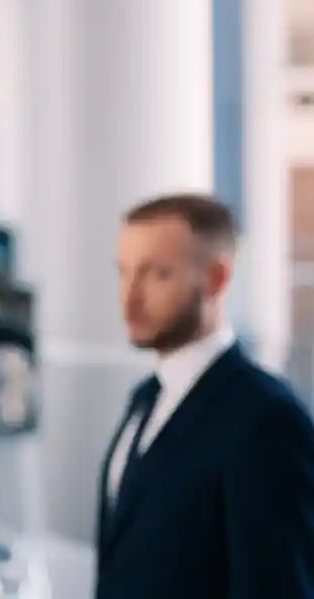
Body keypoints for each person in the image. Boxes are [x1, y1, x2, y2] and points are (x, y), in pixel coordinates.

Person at [96, 193, 314, 599]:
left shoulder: (268, 421)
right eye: (124, 273)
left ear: (216, 280)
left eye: (157, 274)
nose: (130, 296)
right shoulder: (145, 398)